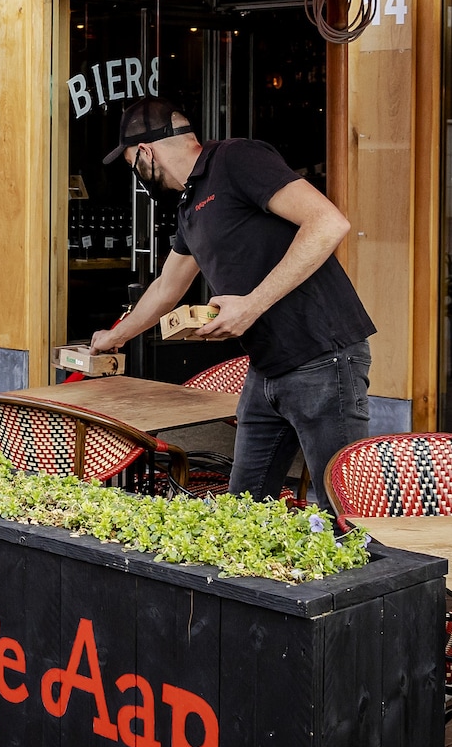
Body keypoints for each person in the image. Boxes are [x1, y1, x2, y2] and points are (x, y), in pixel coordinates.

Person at [90, 97, 375, 509]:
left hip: (323, 356)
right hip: (266, 368)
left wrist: (252, 305)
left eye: (133, 163)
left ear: (146, 152)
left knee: (345, 514)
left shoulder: (236, 159)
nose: (137, 175)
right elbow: (169, 285)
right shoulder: (190, 204)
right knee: (242, 509)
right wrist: (116, 336)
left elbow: (329, 223)